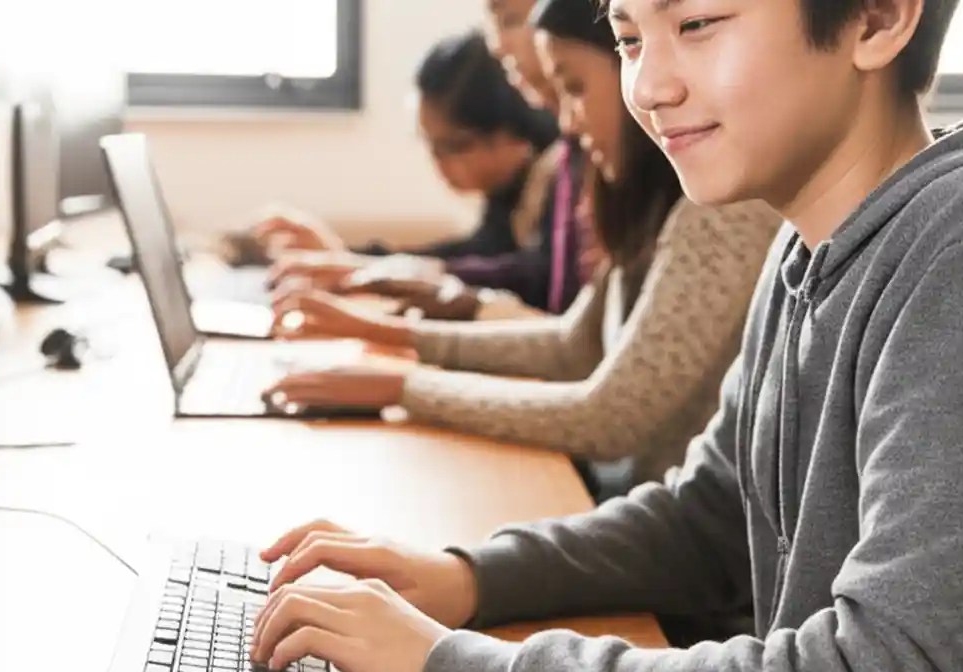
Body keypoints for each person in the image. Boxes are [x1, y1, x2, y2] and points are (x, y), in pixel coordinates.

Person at [248, 0, 963, 672]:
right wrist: (469, 576)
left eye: (696, 24)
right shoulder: (802, 240)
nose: (648, 87)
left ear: (876, 18)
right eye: (627, 39)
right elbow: (707, 521)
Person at [266, 0, 780, 491]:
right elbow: (571, 346)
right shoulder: (651, 203)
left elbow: (610, 416)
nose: (566, 123)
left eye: (574, 89)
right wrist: (390, 338)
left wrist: (400, 386)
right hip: (620, 508)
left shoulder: (724, 213)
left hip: (643, 527)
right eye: (632, 48)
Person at [256, 29, 590, 314]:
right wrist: (351, 260)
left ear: (511, 131)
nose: (438, 164)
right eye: (429, 146)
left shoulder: (563, 171)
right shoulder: (509, 191)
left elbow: (534, 277)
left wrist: (368, 270)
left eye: (452, 146)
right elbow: (479, 252)